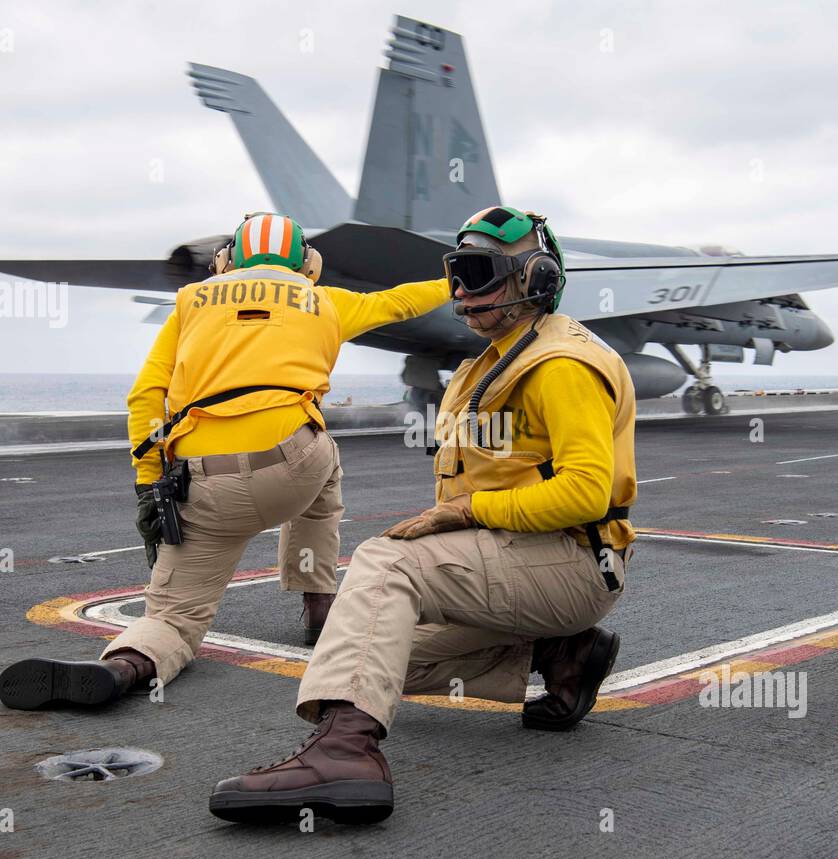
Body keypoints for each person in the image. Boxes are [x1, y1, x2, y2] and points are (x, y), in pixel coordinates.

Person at [209, 206, 638, 824]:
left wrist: (461, 514)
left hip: (573, 562)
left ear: (535, 278)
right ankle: (560, 655)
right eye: (455, 274)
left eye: (478, 274)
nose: (460, 291)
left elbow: (586, 494)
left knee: (384, 563)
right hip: (523, 562)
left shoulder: (561, 366)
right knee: (371, 658)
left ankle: (344, 755)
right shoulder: (491, 362)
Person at [0, 212, 449, 710]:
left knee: (172, 617)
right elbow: (402, 301)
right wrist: (459, 278)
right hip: (292, 469)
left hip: (203, 484)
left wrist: (149, 484)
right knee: (326, 472)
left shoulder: (191, 300)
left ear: (227, 260)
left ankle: (123, 666)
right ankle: (319, 606)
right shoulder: (324, 300)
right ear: (309, 264)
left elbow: (145, 396)